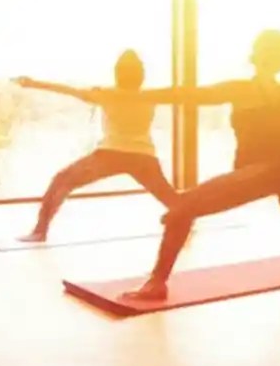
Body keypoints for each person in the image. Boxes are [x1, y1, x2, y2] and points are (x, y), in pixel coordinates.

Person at [108, 30, 280, 301]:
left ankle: (157, 283)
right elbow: (193, 96)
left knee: (181, 209)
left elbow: (187, 95)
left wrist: (133, 97)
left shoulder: (244, 89)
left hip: (270, 168)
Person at [12, 50, 177, 242]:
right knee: (171, 198)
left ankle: (40, 231)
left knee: (61, 181)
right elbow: (187, 94)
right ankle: (185, 221)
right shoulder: (150, 96)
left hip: (110, 155)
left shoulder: (106, 94)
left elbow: (67, 89)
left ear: (118, 73)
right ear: (141, 75)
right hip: (143, 157)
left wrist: (32, 83)